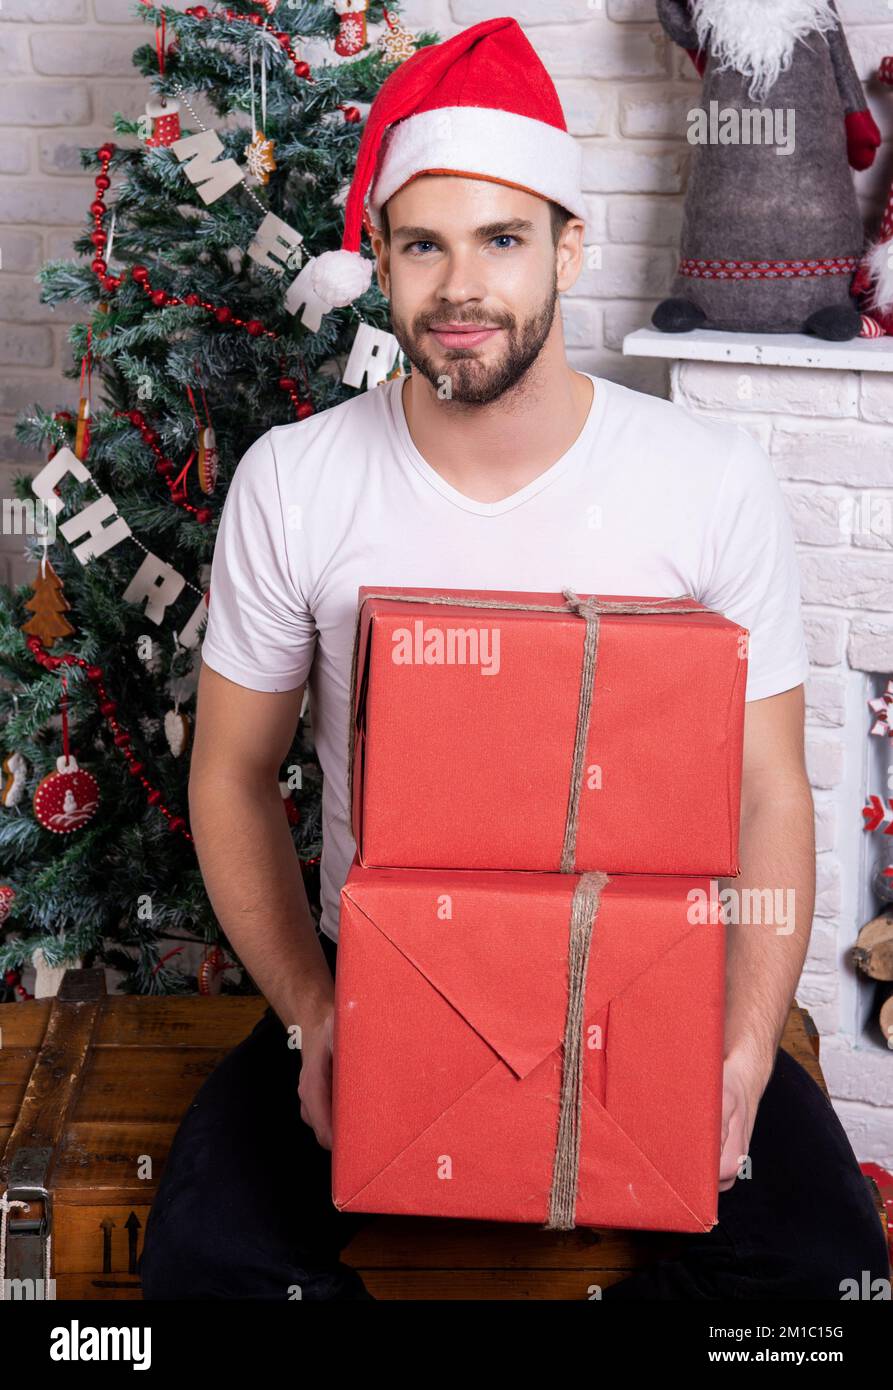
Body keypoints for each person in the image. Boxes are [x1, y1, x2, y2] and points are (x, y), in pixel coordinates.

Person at [138, 16, 889, 1301]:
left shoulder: (704, 483)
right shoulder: (295, 483)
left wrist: (745, 1043)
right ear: (376, 257)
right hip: (375, 988)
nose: (460, 287)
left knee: (815, 1285)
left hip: (651, 993)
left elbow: (771, 793)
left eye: (500, 239)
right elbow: (230, 775)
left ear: (566, 248)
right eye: (422, 244)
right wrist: (320, 1016)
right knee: (207, 1275)